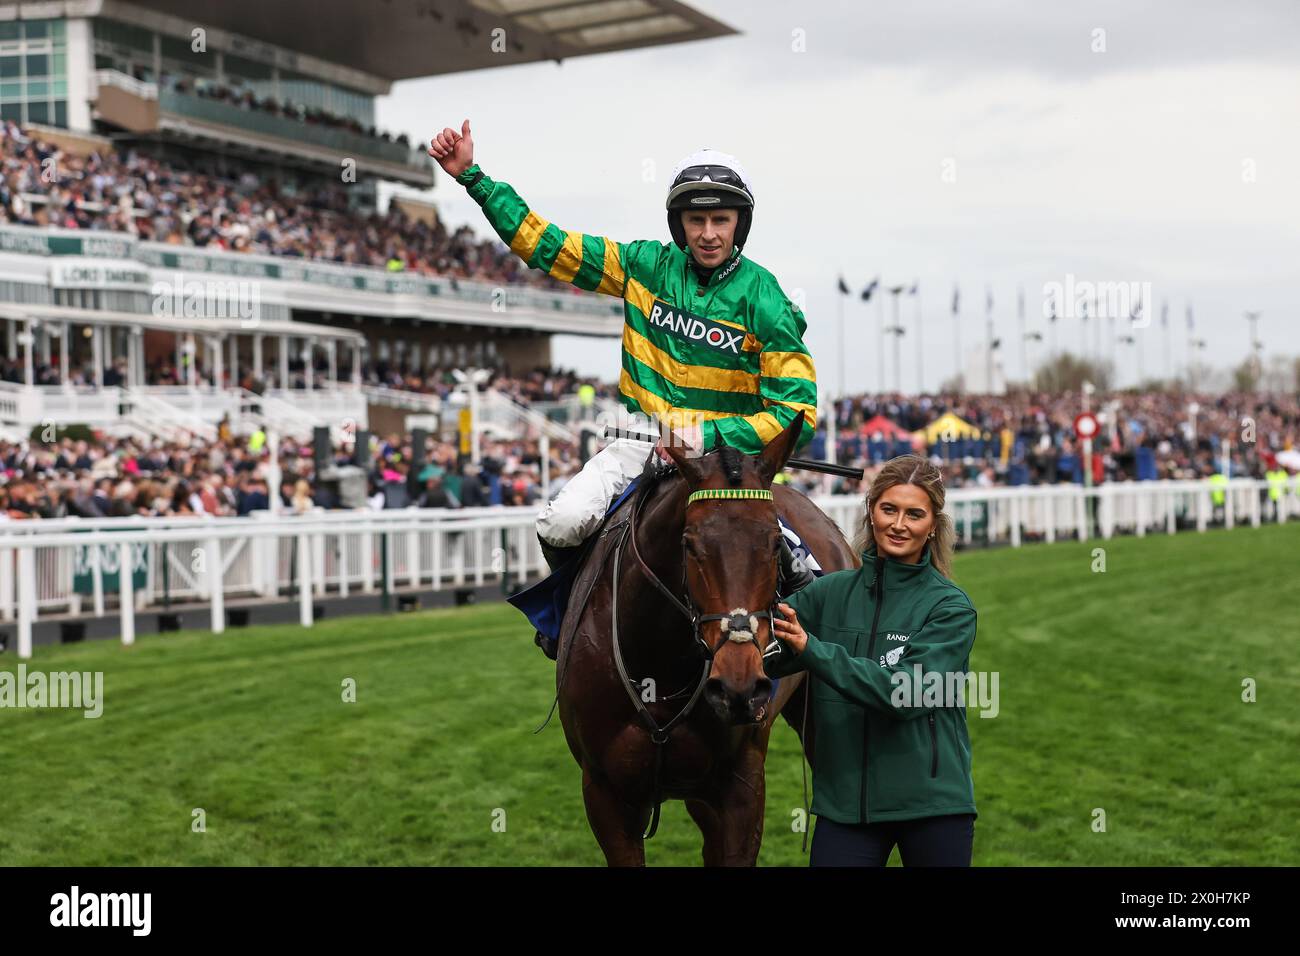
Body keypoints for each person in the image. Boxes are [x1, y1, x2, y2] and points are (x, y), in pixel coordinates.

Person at [428, 120, 819, 659]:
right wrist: (473, 177)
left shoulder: (767, 299)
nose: (708, 232)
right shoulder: (643, 266)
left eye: (720, 220)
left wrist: (705, 432)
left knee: (806, 569)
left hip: (730, 460)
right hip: (642, 440)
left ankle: (788, 647)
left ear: (739, 224)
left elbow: (797, 409)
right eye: (696, 219)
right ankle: (568, 618)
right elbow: (549, 248)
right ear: (679, 224)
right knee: (561, 522)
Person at [764, 455, 979, 867]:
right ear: (871, 511)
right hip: (845, 809)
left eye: (915, 514)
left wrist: (813, 650)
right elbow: (762, 652)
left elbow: (903, 693)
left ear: (933, 524)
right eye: (889, 509)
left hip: (932, 808)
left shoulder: (951, 608)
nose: (899, 524)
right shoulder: (830, 594)